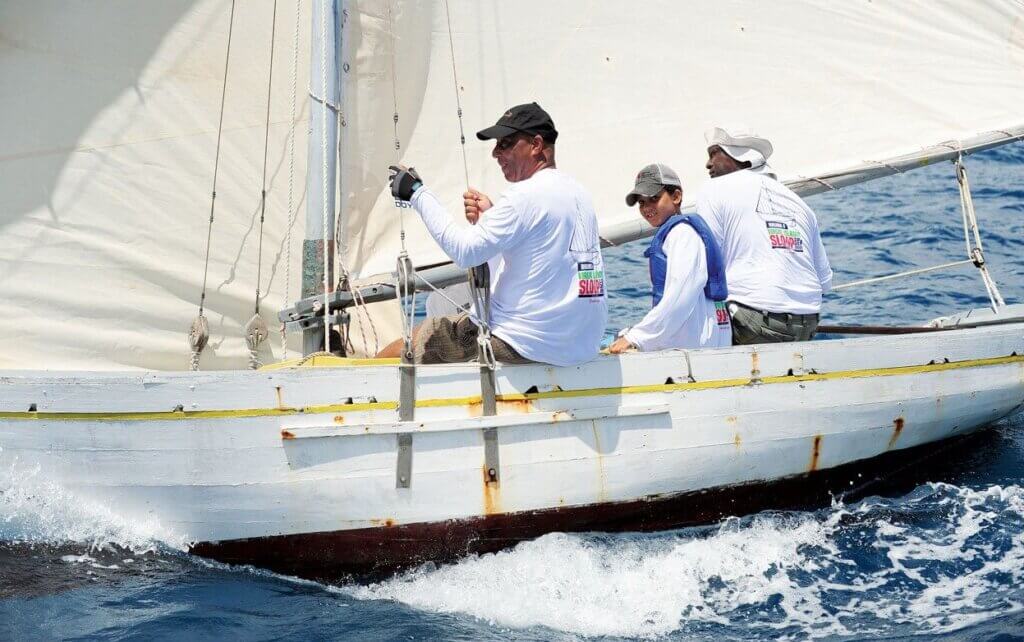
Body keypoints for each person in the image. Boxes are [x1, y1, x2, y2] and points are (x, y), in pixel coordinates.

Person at [379, 102, 608, 366]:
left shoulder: (524, 197)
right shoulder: (579, 194)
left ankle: (356, 384)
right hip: (580, 344)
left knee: (423, 336)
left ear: (535, 145)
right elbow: (538, 246)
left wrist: (417, 192)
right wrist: (491, 216)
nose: (496, 153)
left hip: (528, 344)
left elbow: (465, 252)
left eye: (506, 143)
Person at [696, 126, 833, 344]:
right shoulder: (801, 205)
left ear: (739, 157)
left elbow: (704, 263)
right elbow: (825, 283)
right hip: (807, 324)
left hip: (751, 323)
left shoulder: (713, 188)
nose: (708, 164)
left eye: (714, 153)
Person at [609, 164, 731, 353]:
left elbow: (680, 296)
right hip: (698, 344)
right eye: (641, 202)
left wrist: (635, 337)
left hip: (693, 352)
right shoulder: (679, 233)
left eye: (653, 199)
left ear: (676, 196)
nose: (646, 207)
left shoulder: (682, 234)